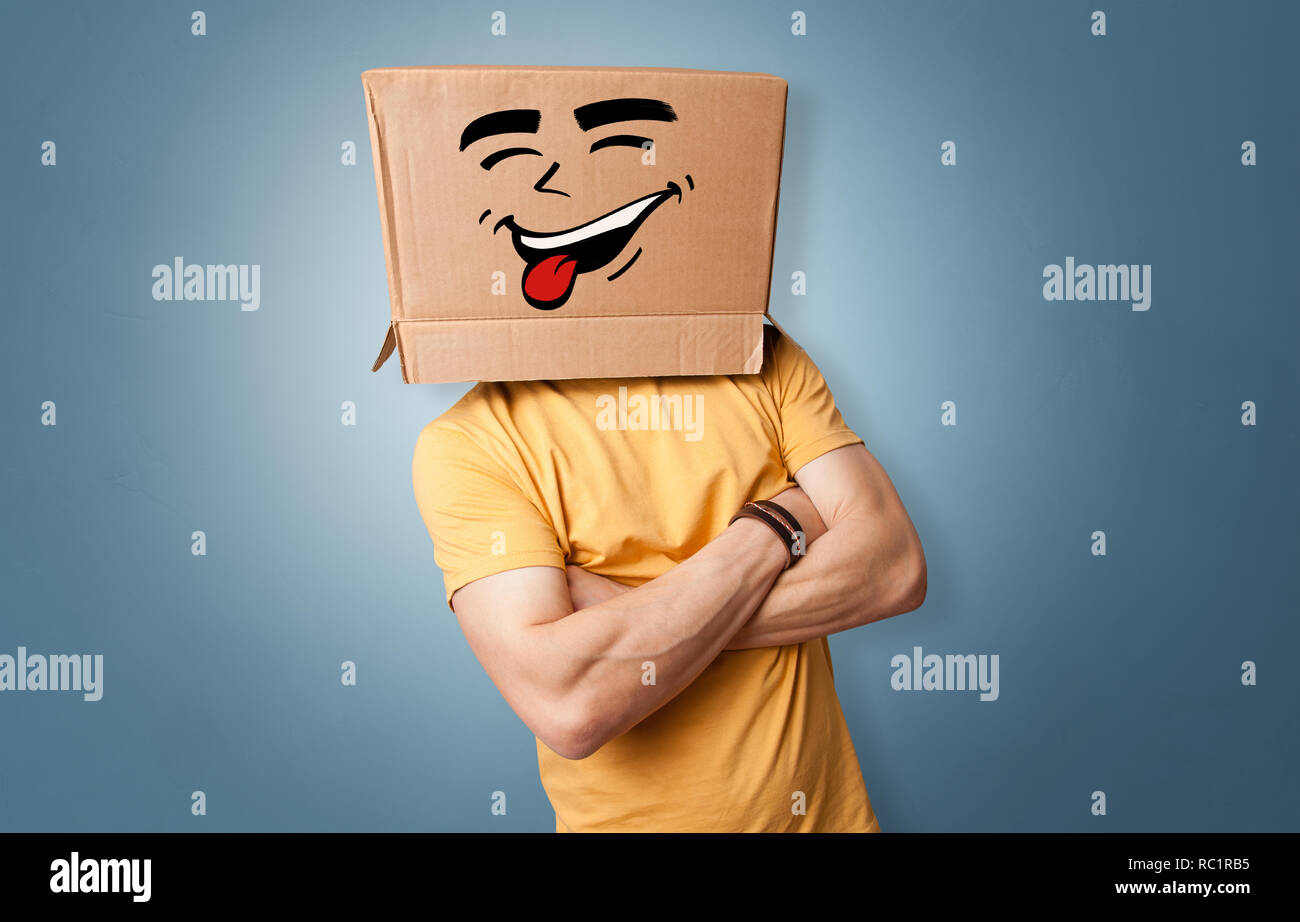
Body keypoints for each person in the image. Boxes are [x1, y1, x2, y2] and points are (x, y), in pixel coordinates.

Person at [411, 321, 926, 832]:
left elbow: (894, 567)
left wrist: (648, 625)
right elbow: (569, 705)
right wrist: (772, 528)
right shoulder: (466, 444)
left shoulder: (761, 356)